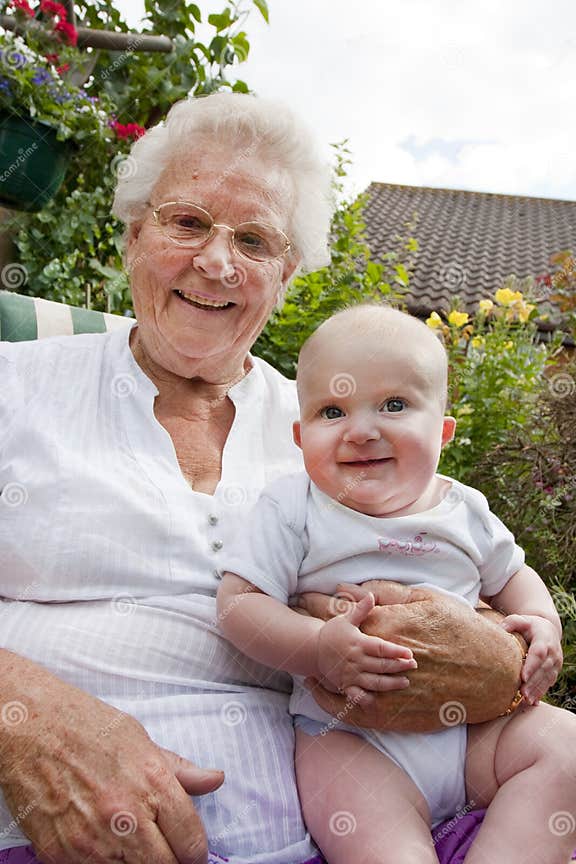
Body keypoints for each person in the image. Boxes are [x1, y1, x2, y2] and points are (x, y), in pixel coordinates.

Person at [0, 92, 570, 864]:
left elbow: (477, 602)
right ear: (134, 234)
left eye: (255, 240)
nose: (216, 262)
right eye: (188, 222)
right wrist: (26, 721)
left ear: (287, 272)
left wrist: (481, 652)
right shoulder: (17, 383)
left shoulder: (336, 430)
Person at [217, 304, 574, 864]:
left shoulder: (465, 510)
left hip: (476, 732)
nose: (362, 431)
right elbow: (238, 605)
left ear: (443, 431)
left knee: (568, 749)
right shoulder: (293, 508)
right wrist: (317, 649)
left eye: (394, 405)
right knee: (381, 844)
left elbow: (514, 577)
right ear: (299, 435)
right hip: (354, 739)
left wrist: (542, 625)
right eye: (331, 411)